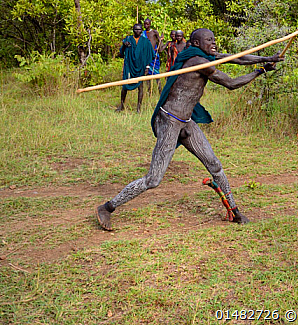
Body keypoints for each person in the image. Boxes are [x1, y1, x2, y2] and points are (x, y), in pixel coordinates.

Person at [96, 28, 281, 231]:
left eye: (214, 39)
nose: (214, 43)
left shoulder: (203, 55)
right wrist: (260, 71)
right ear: (196, 43)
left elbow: (234, 58)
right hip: (170, 121)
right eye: (209, 40)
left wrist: (266, 58)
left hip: (186, 121)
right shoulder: (198, 62)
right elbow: (231, 83)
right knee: (154, 179)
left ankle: (235, 212)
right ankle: (107, 207)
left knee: (215, 165)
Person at [116, 23, 154, 113]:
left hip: (140, 67)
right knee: (125, 86)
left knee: (140, 87)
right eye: (135, 29)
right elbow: (121, 53)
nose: (137, 31)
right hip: (129, 66)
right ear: (133, 30)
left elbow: (150, 54)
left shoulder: (145, 41)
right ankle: (121, 105)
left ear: (141, 30)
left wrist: (147, 67)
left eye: (139, 29)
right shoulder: (128, 39)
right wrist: (124, 45)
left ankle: (138, 108)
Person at [143, 18, 163, 94]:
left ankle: (160, 91)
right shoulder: (143, 33)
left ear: (150, 24)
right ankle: (149, 91)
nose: (146, 25)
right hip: (146, 55)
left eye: (147, 24)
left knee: (156, 73)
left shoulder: (154, 32)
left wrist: (160, 47)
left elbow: (159, 40)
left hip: (154, 55)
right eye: (145, 24)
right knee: (147, 73)